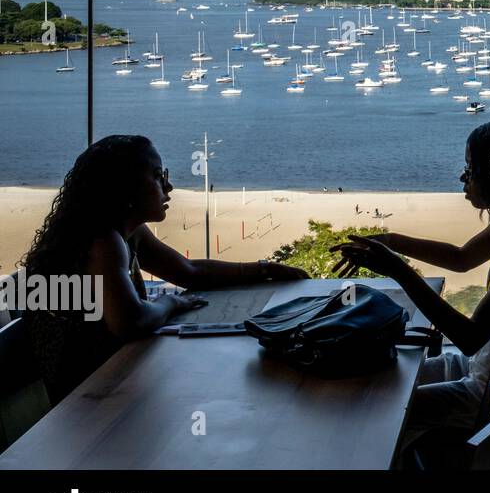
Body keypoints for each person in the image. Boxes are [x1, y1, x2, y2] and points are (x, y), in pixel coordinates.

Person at [331, 119, 490, 440]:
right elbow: (460, 258)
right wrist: (392, 241)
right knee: (389, 372)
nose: (464, 179)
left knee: (381, 405)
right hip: (489, 372)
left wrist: (398, 269)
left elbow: (469, 336)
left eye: (470, 170)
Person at [19, 135, 308, 404]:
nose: (168, 187)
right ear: (125, 187)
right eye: (158, 176)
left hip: (116, 377)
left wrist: (263, 269)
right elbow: (129, 322)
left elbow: (188, 271)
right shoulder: (103, 241)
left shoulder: (126, 232)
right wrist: (170, 301)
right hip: (90, 398)